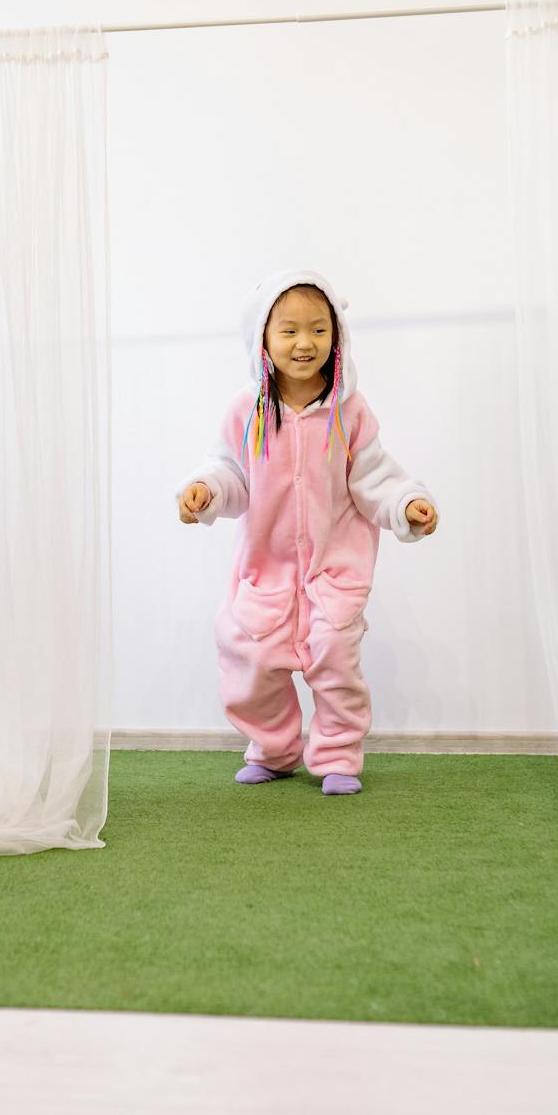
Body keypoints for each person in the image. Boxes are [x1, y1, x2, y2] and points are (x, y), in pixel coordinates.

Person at [177, 271, 438, 795]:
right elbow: (230, 471)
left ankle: (338, 755)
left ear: (336, 336)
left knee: (335, 662)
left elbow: (374, 477)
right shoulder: (245, 410)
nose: (305, 344)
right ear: (263, 339)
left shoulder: (350, 412)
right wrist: (206, 488)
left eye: (319, 330)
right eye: (289, 331)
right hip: (266, 570)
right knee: (250, 660)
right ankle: (273, 750)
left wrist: (407, 503)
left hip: (333, 569)